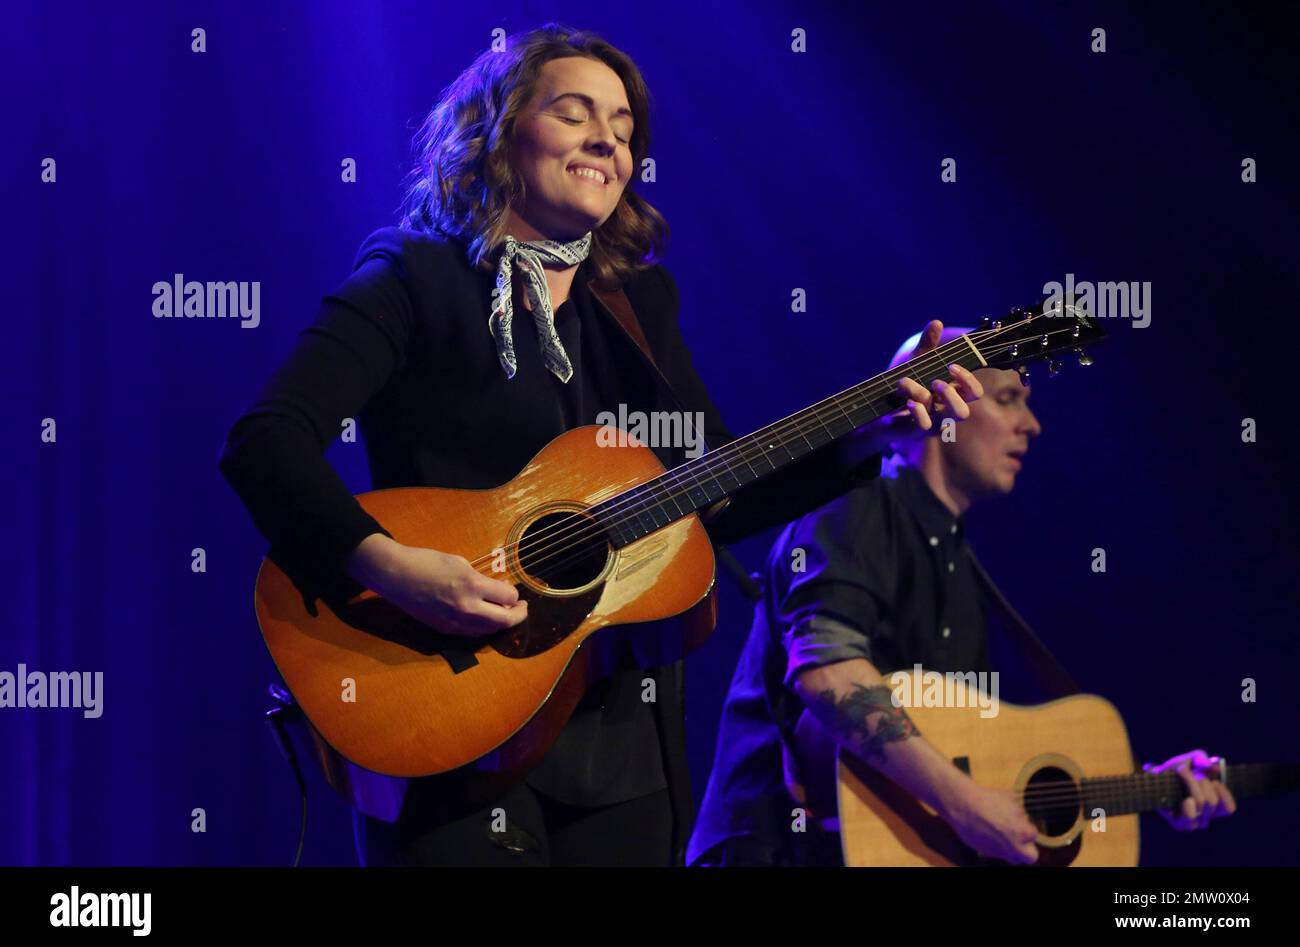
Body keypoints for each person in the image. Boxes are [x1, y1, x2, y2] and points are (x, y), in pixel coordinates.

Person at [217, 23, 983, 866]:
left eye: (623, 129)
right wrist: (394, 569)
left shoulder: (634, 302)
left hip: (619, 743)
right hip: (448, 717)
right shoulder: (413, 277)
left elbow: (714, 494)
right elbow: (266, 442)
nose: (607, 144)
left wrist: (866, 434)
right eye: (575, 114)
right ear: (499, 132)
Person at [688, 327, 1236, 866]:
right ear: (941, 403)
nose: (1032, 424)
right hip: (775, 849)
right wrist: (968, 806)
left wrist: (1148, 787)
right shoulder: (856, 506)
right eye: (1007, 399)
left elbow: (973, 761)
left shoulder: (954, 557)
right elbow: (828, 674)